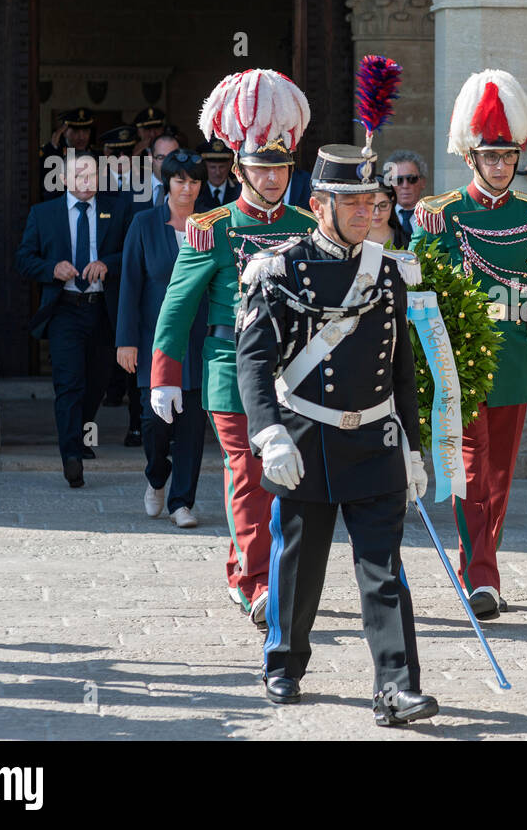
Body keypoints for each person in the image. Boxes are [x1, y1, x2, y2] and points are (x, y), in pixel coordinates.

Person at [236, 136, 437, 723]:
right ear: (320, 203)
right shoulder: (276, 270)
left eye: (371, 202)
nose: (365, 212)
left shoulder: (388, 273)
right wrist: (268, 433)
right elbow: (253, 362)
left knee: (385, 569)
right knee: (300, 563)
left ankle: (396, 687)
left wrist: (415, 450)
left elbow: (401, 369)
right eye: (351, 203)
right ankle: (283, 661)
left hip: (374, 441)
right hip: (306, 439)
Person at [410, 68, 527, 620]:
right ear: (471, 159)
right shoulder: (440, 214)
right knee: (470, 465)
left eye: (509, 157)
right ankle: (480, 576)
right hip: (455, 356)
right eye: (491, 157)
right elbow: (413, 287)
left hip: (511, 357)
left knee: (501, 473)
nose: (502, 166)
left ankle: (483, 561)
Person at [149, 69, 318, 625]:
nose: (272, 179)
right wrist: (164, 374)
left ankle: (244, 569)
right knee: (248, 475)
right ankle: (256, 583)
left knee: (284, 478)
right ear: (240, 168)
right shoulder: (212, 228)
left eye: (281, 169)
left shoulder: (307, 225)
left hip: (294, 371)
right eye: (261, 168)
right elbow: (177, 307)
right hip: (228, 365)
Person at [16, 152, 130, 487]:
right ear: (64, 179)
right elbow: (24, 259)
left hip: (102, 308)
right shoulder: (44, 213)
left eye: (92, 175)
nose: (86, 180)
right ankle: (71, 456)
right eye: (78, 174)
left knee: (97, 381)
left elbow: (132, 253)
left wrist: (107, 263)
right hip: (65, 307)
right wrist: (51, 269)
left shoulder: (117, 209)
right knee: (69, 383)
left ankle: (80, 435)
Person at [117, 149, 211, 528]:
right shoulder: (144, 224)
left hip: (199, 341)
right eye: (180, 180)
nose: (187, 188)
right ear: (167, 183)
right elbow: (130, 284)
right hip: (154, 341)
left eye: (194, 181)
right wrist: (126, 340)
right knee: (155, 424)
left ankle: (181, 502)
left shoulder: (211, 226)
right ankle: (157, 476)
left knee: (191, 424)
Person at [38, 108, 96, 200]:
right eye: (75, 132)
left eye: (85, 131)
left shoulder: (95, 155)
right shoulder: (52, 152)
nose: (81, 137)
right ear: (64, 132)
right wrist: (53, 148)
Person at [383, 150, 429, 243]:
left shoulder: (433, 218)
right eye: (397, 180)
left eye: (411, 179)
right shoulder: (380, 217)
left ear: (423, 182)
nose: (405, 185)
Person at [198, 137, 240, 205]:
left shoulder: (240, 190)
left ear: (229, 165)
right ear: (205, 167)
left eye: (222, 167)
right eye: (212, 167)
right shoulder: (197, 190)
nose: (218, 172)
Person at [147, 134, 180, 208]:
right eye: (161, 158)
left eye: (171, 158)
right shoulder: (130, 193)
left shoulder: (190, 193)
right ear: (150, 157)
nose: (166, 164)